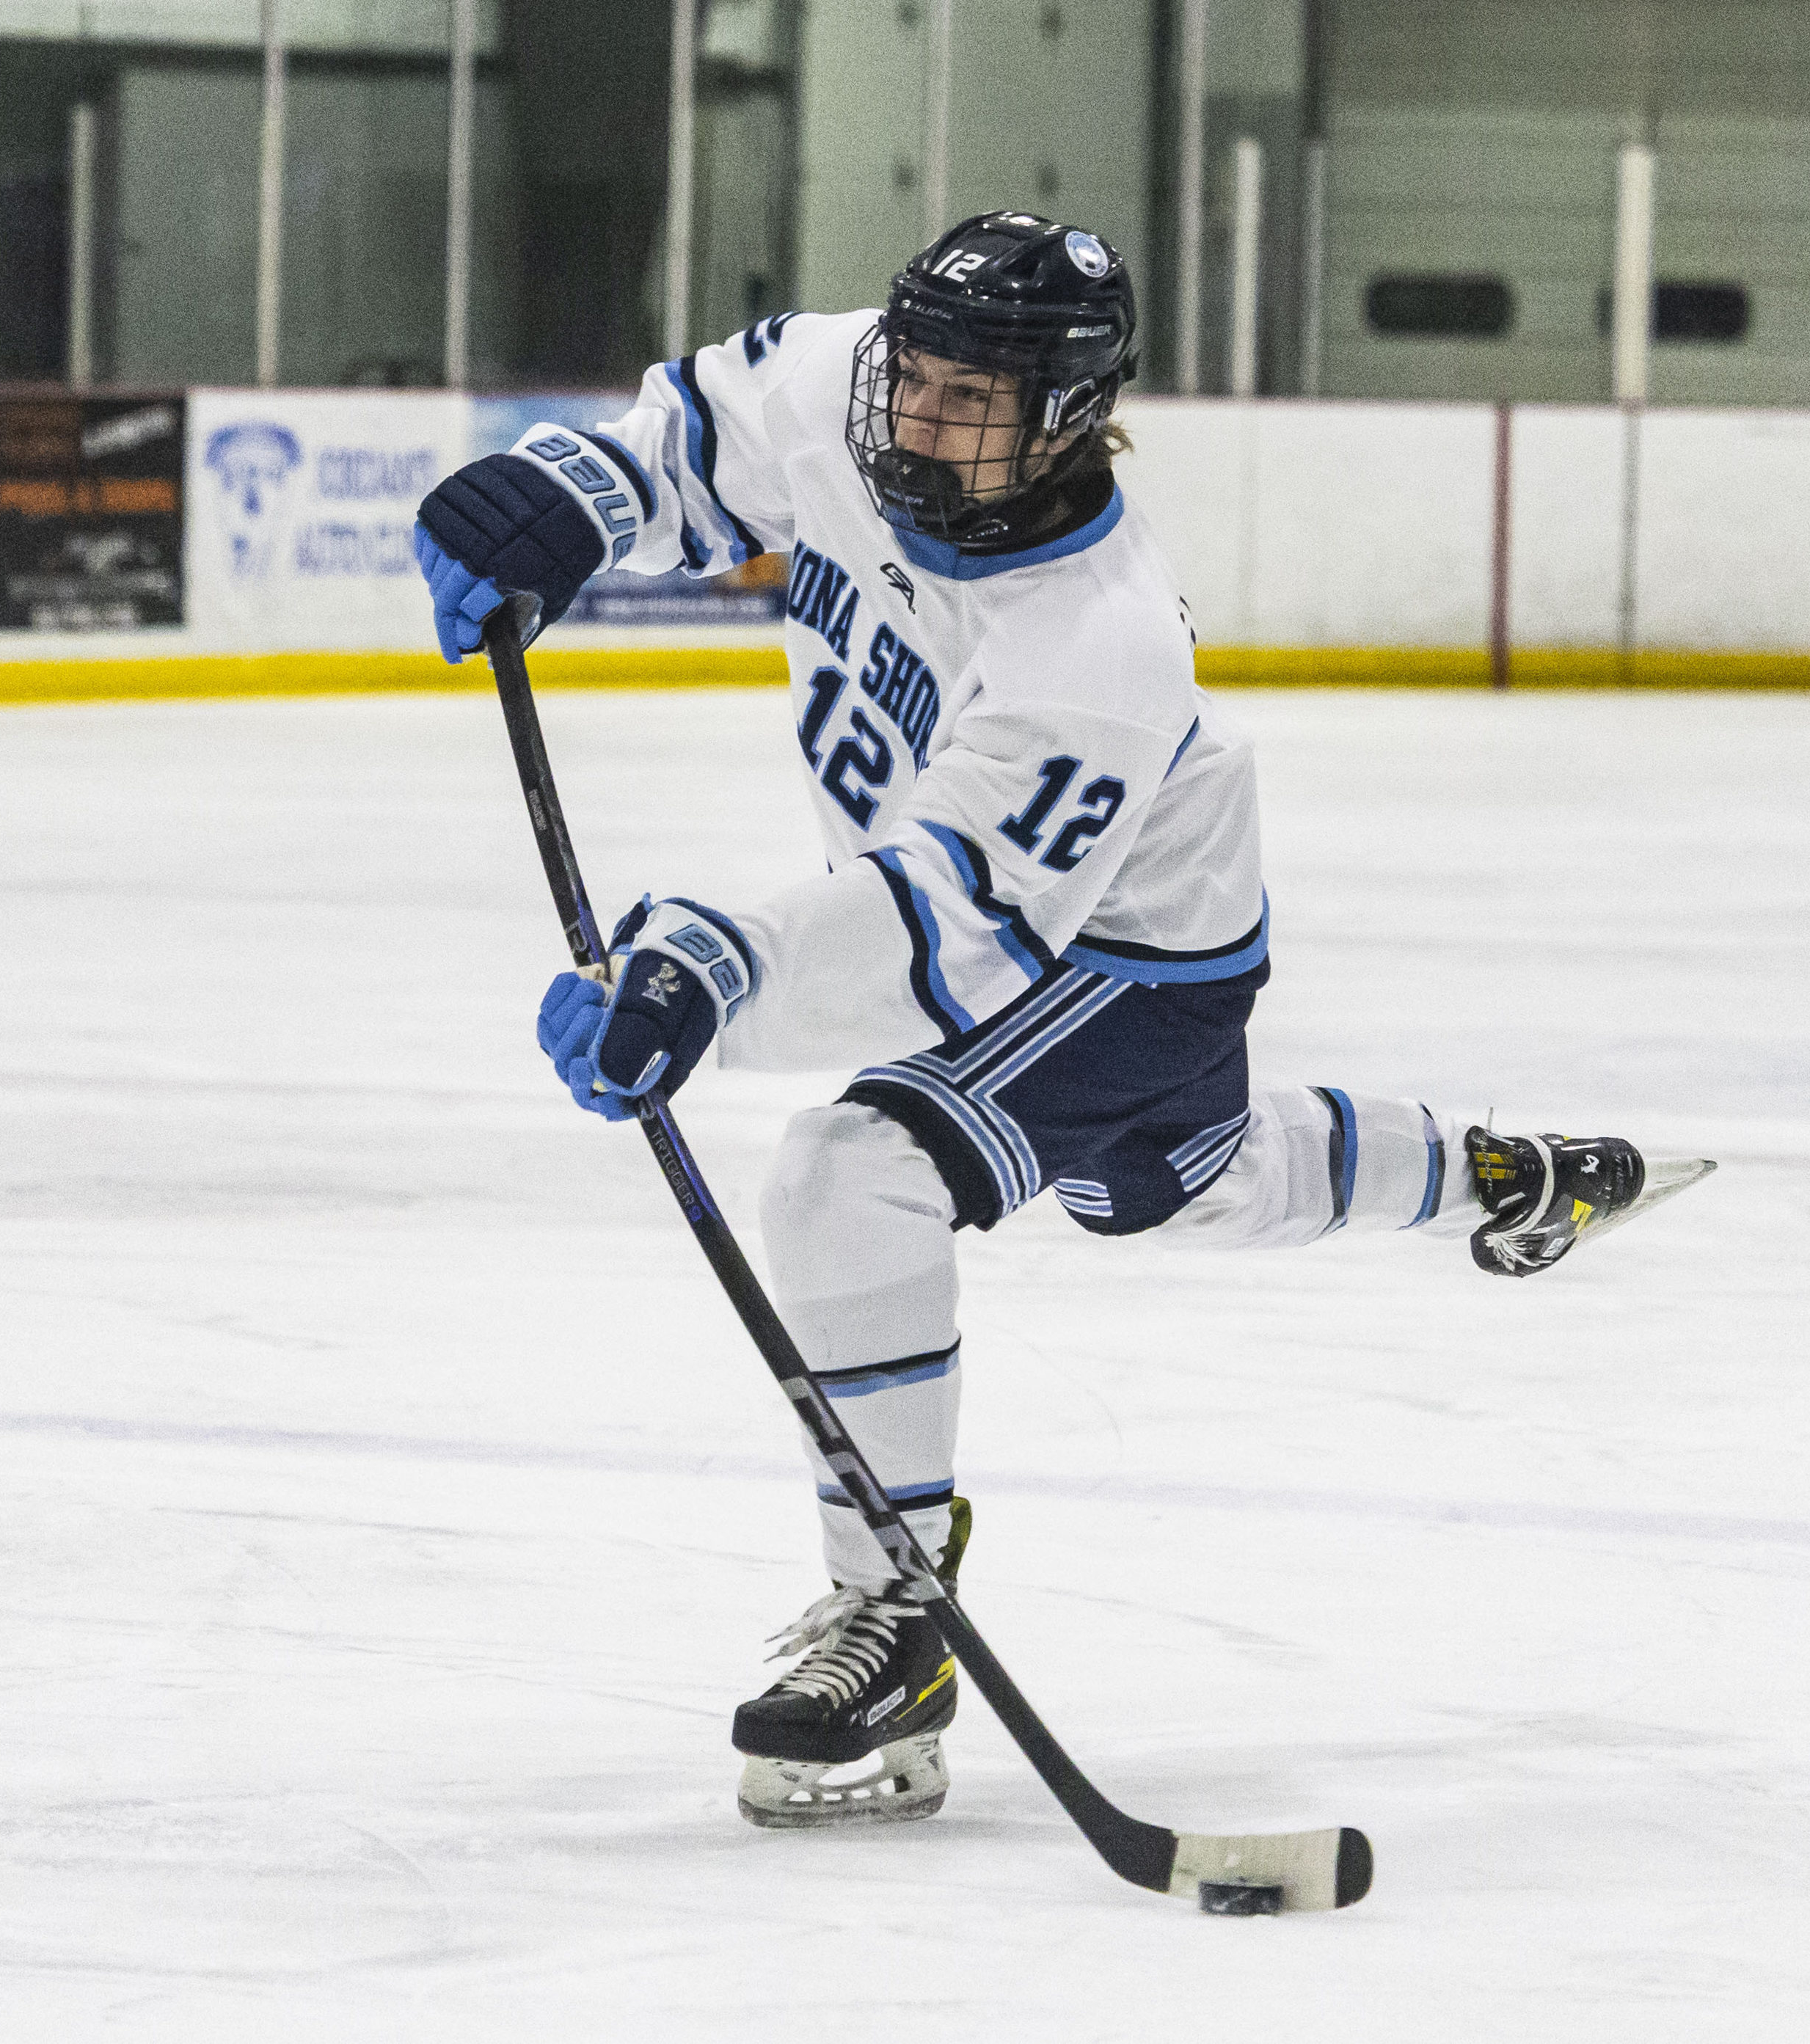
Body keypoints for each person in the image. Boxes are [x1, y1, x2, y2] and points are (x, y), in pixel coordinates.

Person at [409, 212, 1706, 1831]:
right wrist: (576, 496)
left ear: (1070, 419)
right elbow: (694, 433)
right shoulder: (848, 390)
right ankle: (1503, 1177)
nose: (917, 420)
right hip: (1061, 939)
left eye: (972, 400)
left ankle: (889, 1608)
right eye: (915, 378)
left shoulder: (1092, 640)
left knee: (848, 1171)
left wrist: (711, 972)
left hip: (1123, 959)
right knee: (1188, 1177)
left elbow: (949, 934)